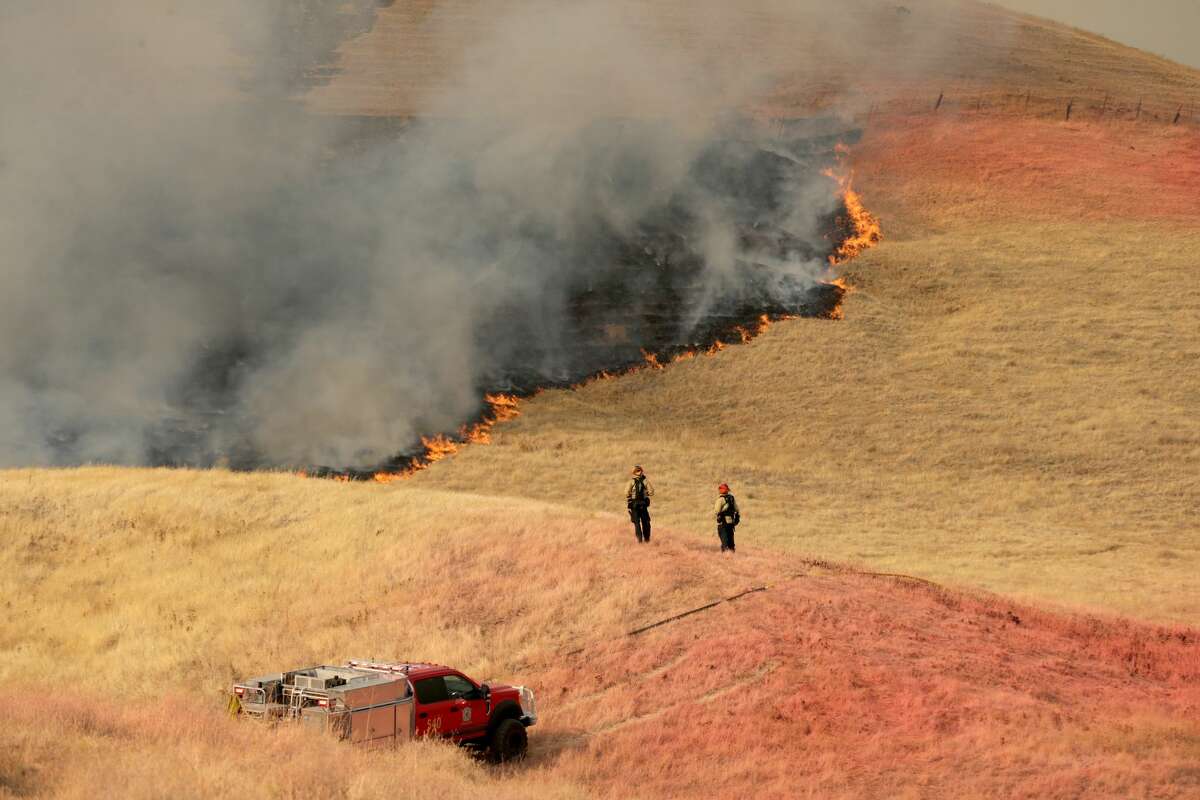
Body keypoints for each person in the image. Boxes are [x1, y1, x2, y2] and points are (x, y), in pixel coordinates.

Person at [625, 465, 654, 543]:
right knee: (646, 522)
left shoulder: (631, 481)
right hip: (643, 504)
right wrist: (646, 494)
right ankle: (647, 540)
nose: (639, 472)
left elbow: (626, 493)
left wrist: (631, 496)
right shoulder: (645, 481)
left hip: (634, 504)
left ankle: (640, 540)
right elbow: (651, 491)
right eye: (639, 471)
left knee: (637, 523)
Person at [715, 483, 739, 553]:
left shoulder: (720, 499)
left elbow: (717, 510)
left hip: (723, 524)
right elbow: (737, 509)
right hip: (731, 523)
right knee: (731, 542)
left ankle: (725, 557)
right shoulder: (732, 498)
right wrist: (737, 517)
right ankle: (732, 555)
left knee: (724, 543)